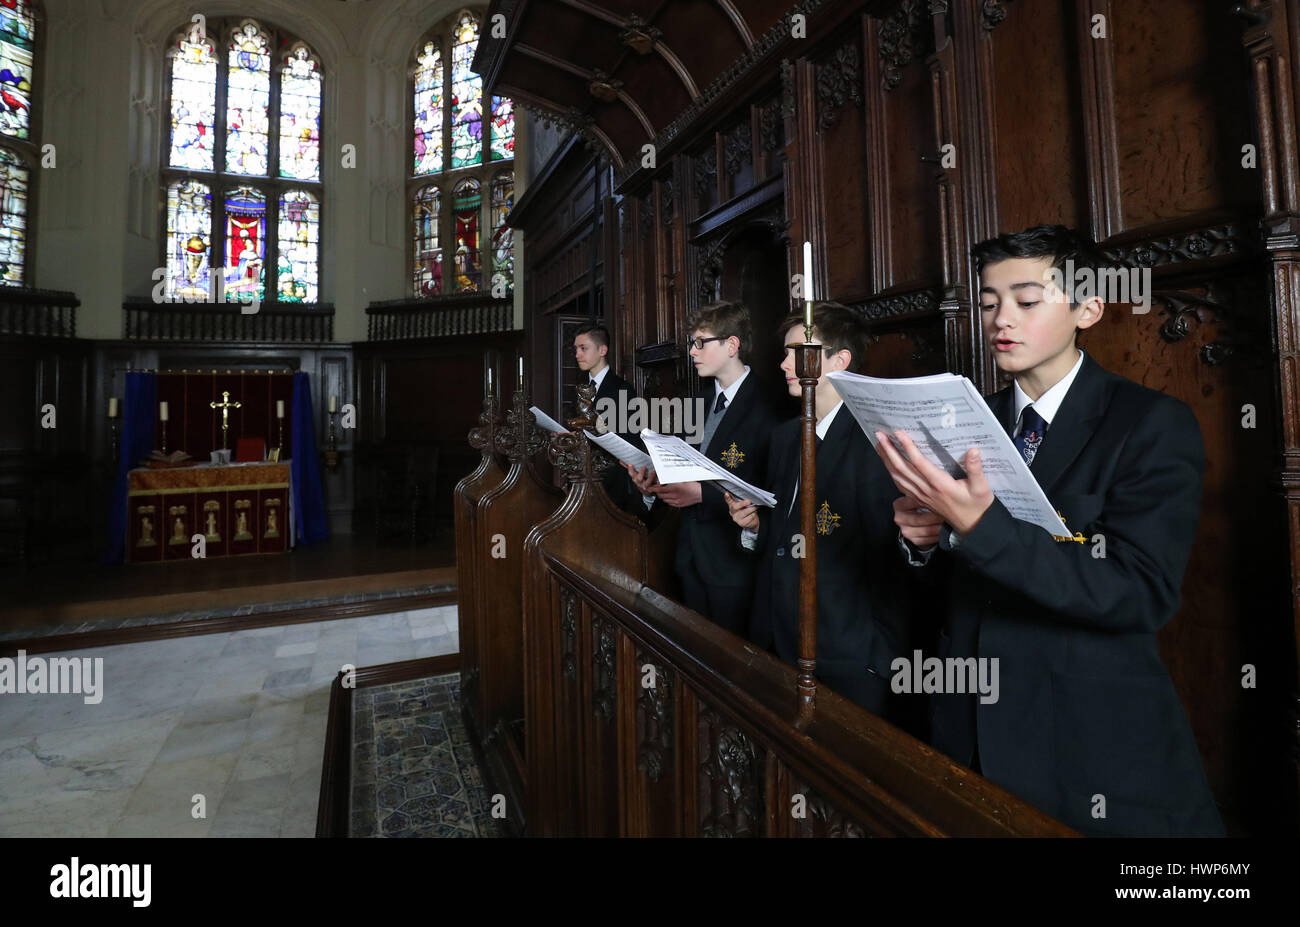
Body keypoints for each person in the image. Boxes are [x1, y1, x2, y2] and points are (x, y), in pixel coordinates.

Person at [878, 224, 1223, 836]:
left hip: (1084, 745)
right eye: (988, 303)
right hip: (966, 727)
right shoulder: (962, 418)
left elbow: (1139, 593)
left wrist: (980, 527)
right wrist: (922, 545)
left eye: (1027, 300)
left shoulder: (1149, 424)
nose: (1000, 318)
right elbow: (949, 590)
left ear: (1087, 307)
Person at [726, 303, 911, 716]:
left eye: (798, 351)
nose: (783, 363)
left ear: (840, 360)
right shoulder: (786, 436)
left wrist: (877, 659)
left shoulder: (878, 443)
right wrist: (754, 527)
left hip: (847, 656)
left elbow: (896, 563)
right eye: (785, 352)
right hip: (777, 639)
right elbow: (786, 531)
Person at [627, 301, 782, 635]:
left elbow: (775, 493)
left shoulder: (770, 406)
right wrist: (652, 486)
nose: (693, 352)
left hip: (735, 565)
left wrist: (702, 495)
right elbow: (681, 471)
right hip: (689, 557)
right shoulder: (697, 403)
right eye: (691, 344)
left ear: (731, 345)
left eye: (701, 342)